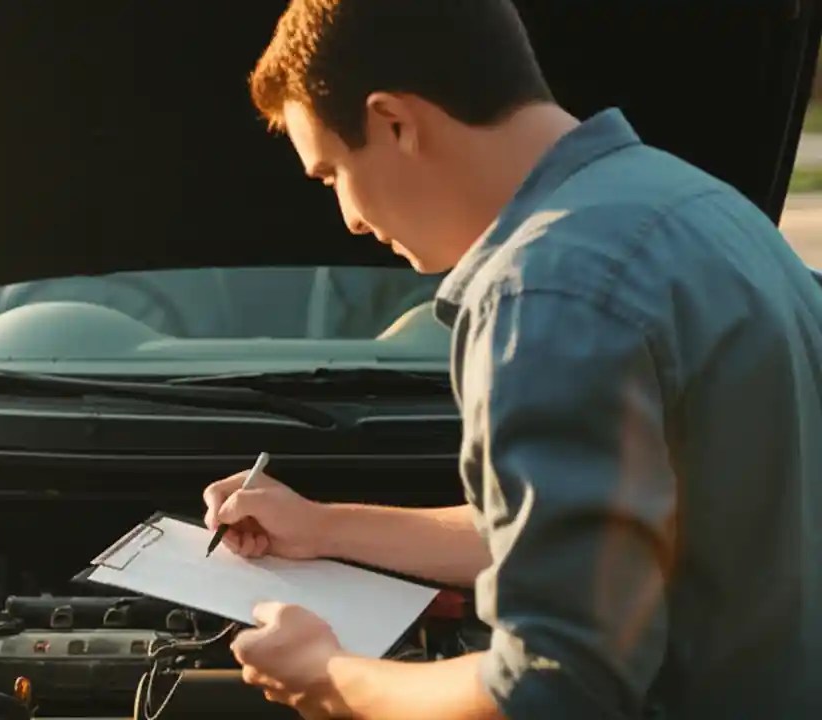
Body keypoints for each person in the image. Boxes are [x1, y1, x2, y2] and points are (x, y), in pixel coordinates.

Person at [201, 1, 822, 718]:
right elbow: (605, 538)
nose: (349, 218)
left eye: (332, 173)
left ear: (394, 122)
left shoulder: (546, 294)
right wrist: (325, 527)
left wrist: (329, 675)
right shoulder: (704, 210)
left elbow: (552, 689)